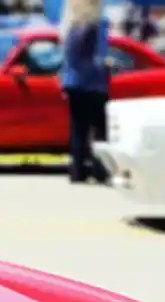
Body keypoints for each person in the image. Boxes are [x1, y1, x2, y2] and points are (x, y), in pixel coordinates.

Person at [59, 0, 110, 184]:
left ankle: (77, 171)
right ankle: (99, 170)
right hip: (93, 84)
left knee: (78, 130)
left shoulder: (69, 27)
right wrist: (107, 66)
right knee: (100, 129)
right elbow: (99, 57)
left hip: (73, 83)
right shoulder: (95, 26)